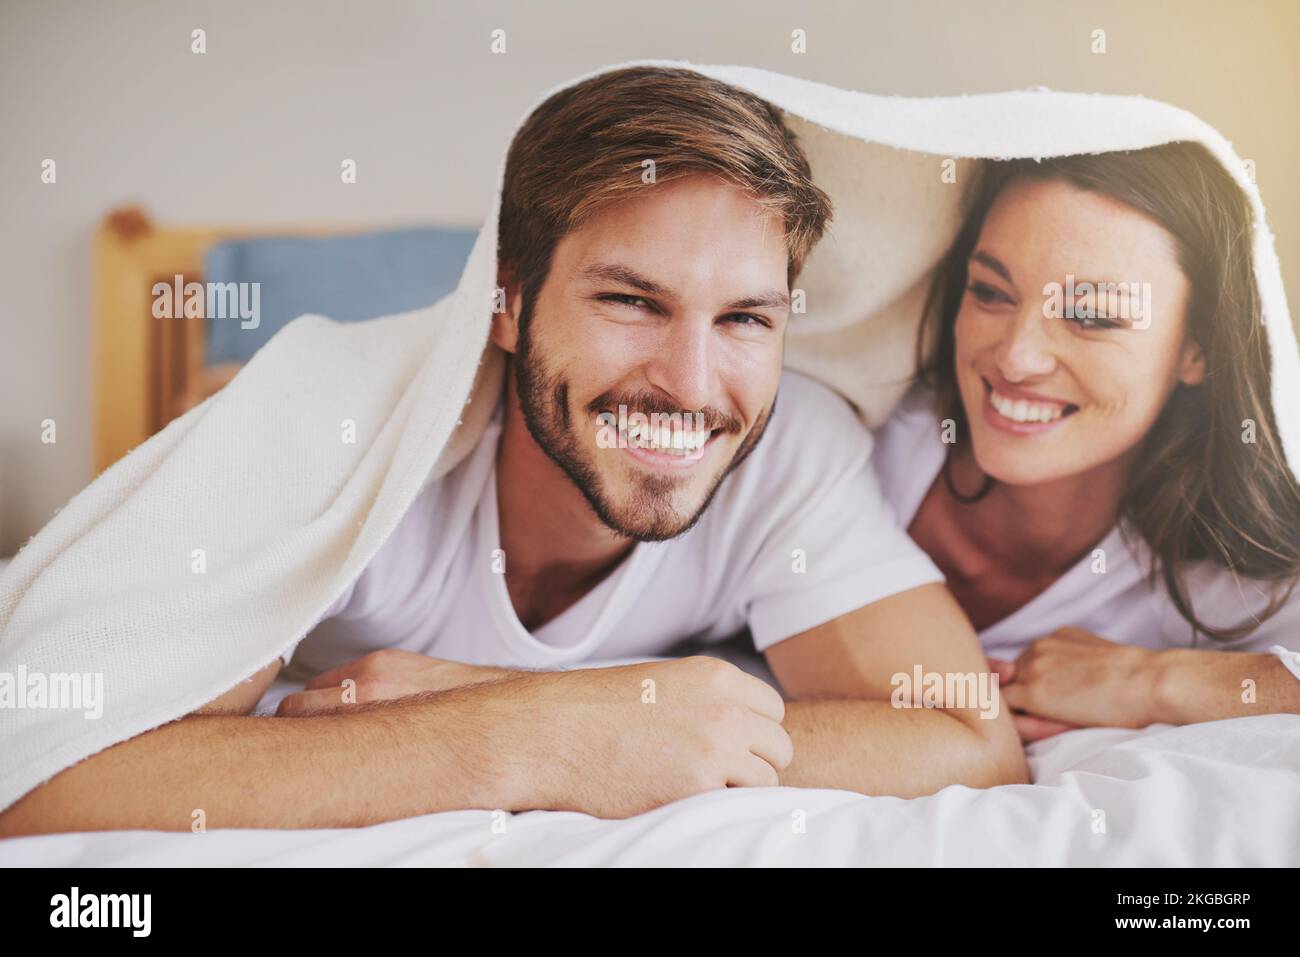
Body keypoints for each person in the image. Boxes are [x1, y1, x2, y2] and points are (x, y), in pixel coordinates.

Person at [0, 67, 1024, 837]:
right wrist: (534, 738)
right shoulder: (329, 419)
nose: (689, 380)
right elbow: (42, 784)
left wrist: (545, 706)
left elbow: (967, 739)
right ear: (506, 301)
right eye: (631, 301)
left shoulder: (785, 443)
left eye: (745, 318)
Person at [872, 143, 1300, 742]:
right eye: (991, 292)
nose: (1016, 358)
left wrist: (1152, 680)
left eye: (1092, 317)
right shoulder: (866, 441)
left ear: (1195, 350)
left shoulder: (1231, 564)